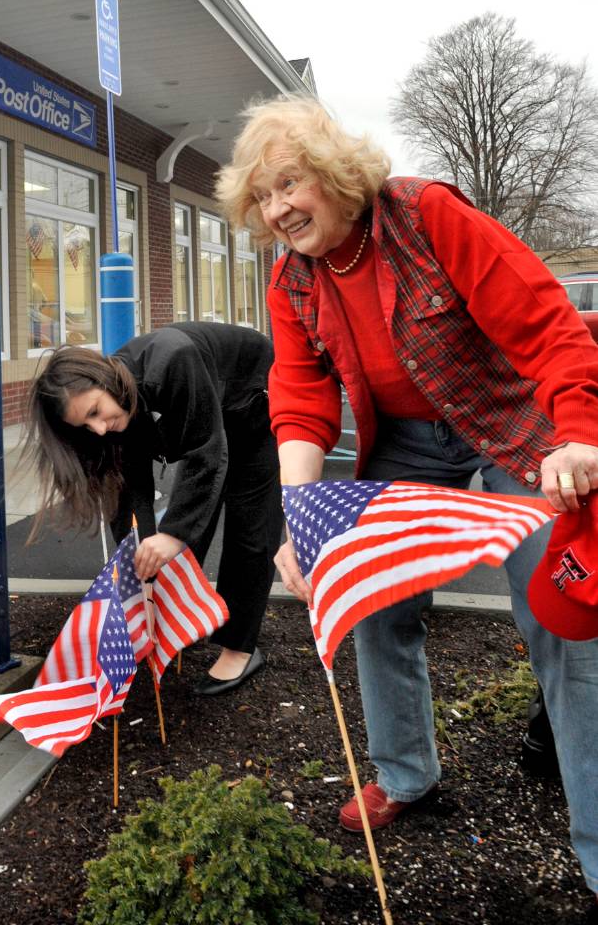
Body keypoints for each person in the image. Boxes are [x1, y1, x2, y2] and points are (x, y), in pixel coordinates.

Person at [215, 94, 598, 914]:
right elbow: (301, 391)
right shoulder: (293, 279)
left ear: (333, 174)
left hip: (515, 425)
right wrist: (302, 513)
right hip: (407, 442)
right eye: (263, 196)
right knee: (373, 600)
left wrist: (578, 433)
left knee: (561, 614)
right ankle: (406, 775)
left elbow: (547, 324)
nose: (278, 208)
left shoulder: (428, 217)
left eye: (290, 183)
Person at [25, 322, 285, 696]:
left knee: (249, 529)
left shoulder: (173, 360)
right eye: (87, 424)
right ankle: (191, 617)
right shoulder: (114, 416)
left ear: (107, 378)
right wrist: (139, 566)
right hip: (207, 422)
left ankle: (239, 646)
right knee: (173, 536)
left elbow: (207, 455)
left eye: (96, 411)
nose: (100, 429)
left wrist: (174, 534)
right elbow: (129, 491)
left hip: (254, 403)